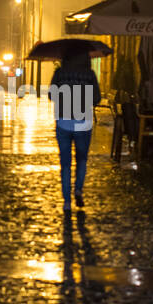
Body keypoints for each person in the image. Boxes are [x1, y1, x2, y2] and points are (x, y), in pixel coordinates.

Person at [48, 48, 101, 211]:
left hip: (63, 121)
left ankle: (66, 201)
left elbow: (51, 95)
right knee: (82, 159)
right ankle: (78, 189)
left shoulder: (60, 73)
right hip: (83, 121)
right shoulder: (89, 74)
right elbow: (97, 99)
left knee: (65, 162)